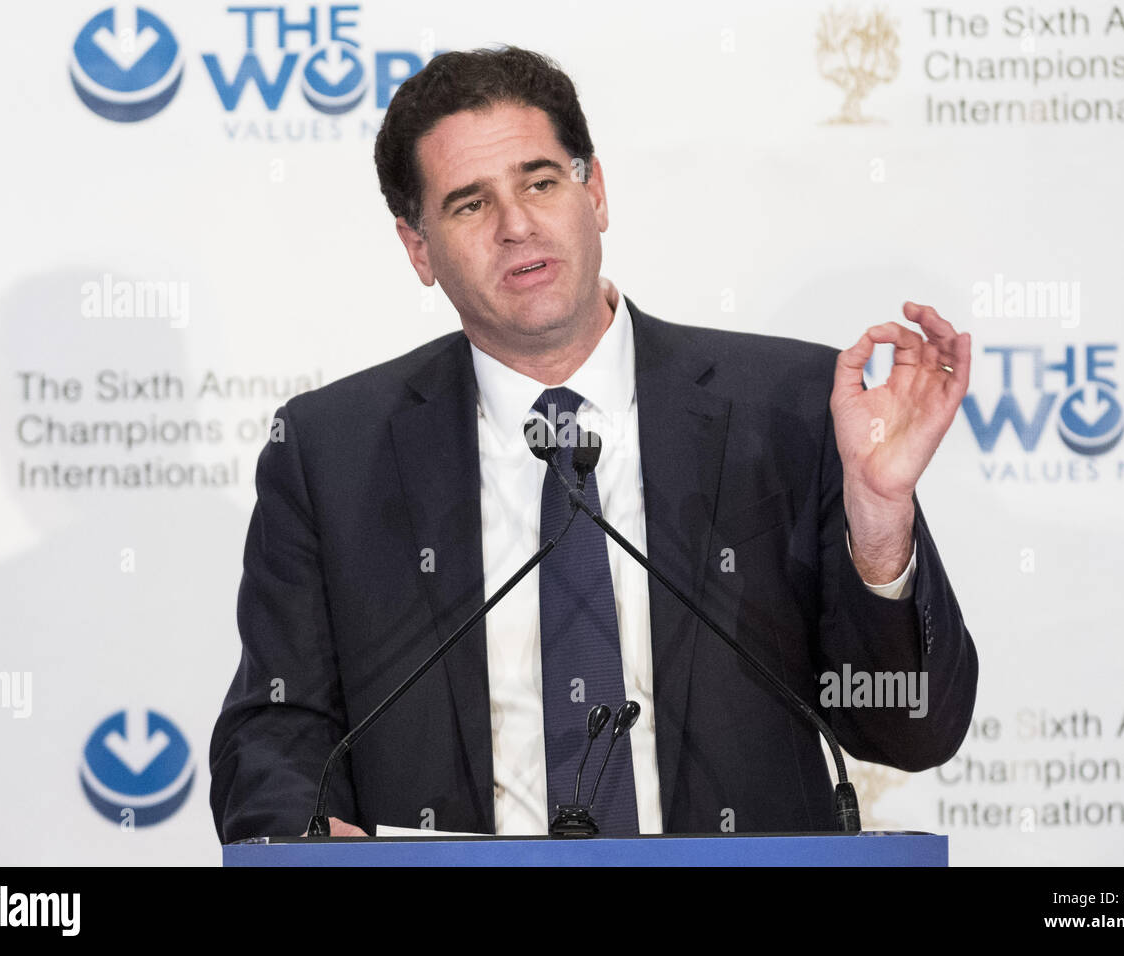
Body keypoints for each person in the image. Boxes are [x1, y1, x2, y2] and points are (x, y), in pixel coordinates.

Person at [209, 46, 978, 842]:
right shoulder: (331, 453)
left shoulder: (788, 410)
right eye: (470, 205)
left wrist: (882, 521)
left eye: (541, 182)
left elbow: (911, 732)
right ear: (418, 249)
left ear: (596, 191)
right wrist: (307, 838)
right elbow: (272, 730)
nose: (517, 226)